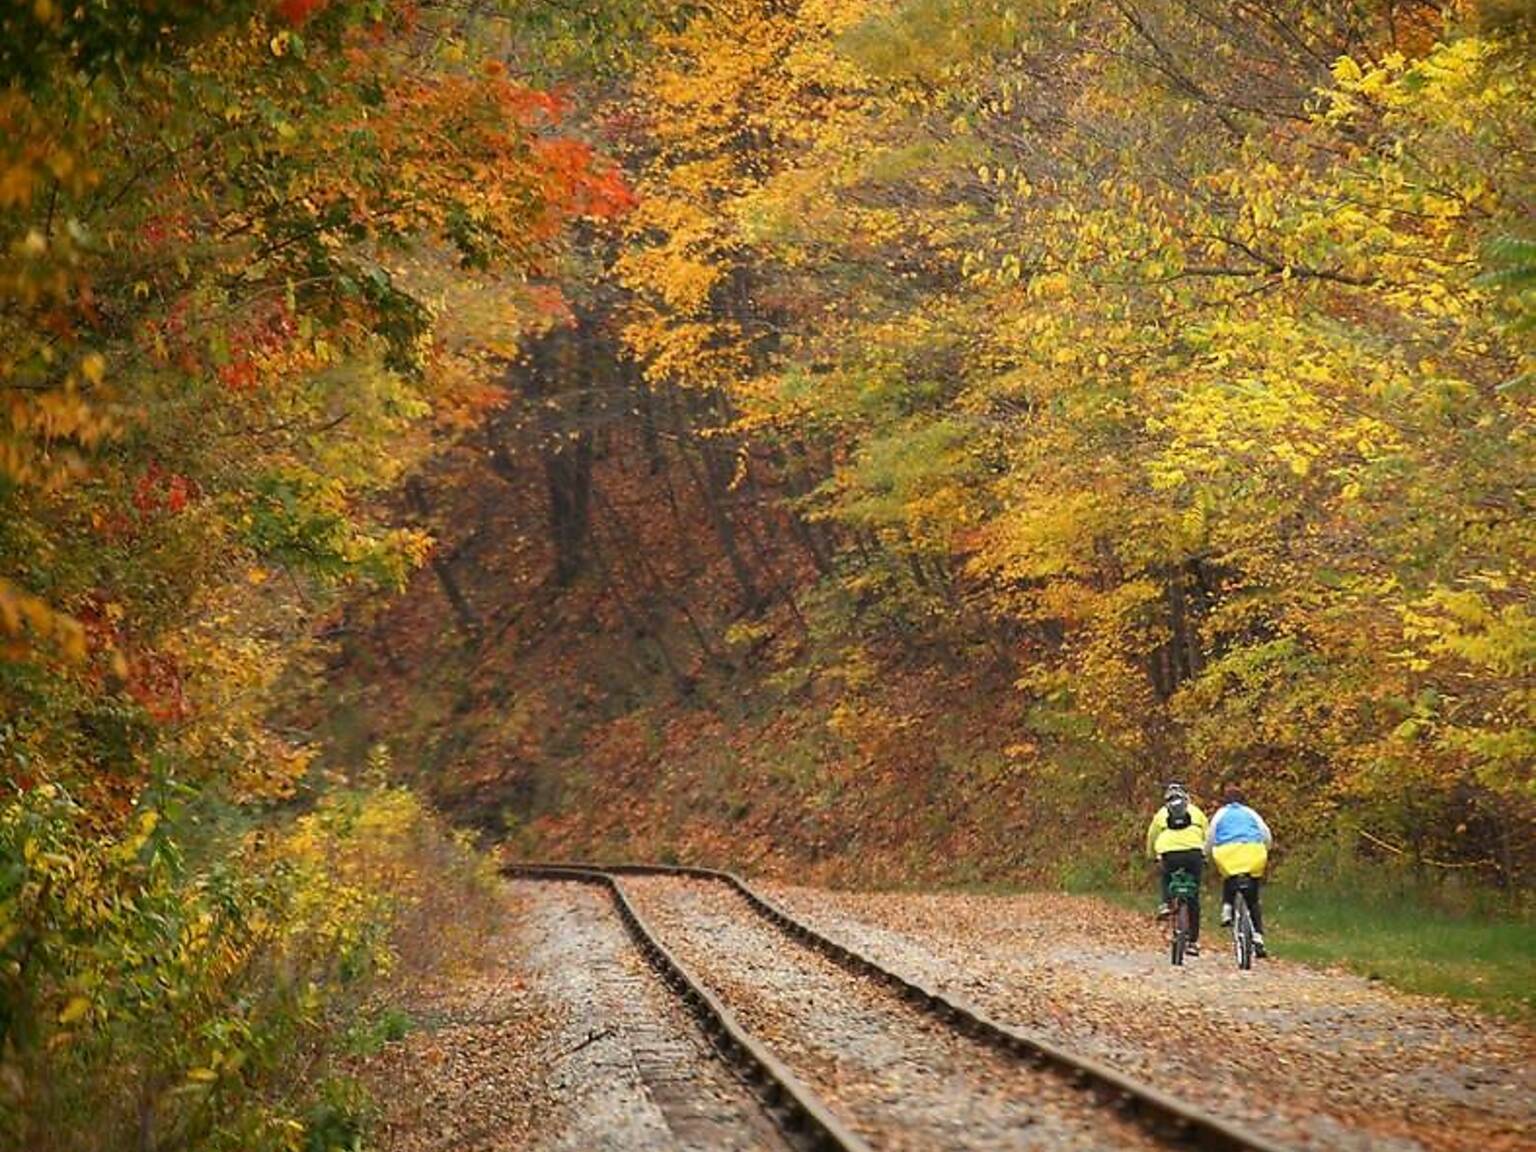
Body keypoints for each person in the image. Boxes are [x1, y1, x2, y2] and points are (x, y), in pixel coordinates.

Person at [1206, 783, 1273, 957]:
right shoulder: (1251, 813)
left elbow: (1211, 837)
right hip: (1253, 851)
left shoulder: (1221, 814)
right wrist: (1265, 848)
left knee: (1229, 875)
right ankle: (1258, 937)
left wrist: (1206, 855)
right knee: (1253, 897)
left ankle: (1227, 907)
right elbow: (1265, 834)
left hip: (1227, 852)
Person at [1146, 782, 1209, 955]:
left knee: (1166, 875)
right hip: (1194, 854)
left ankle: (1166, 903)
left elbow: (1151, 837)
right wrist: (1206, 855)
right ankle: (1193, 943)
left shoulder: (1161, 813)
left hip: (1169, 854)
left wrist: (1152, 855)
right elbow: (1207, 834)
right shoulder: (1196, 812)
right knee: (1193, 897)